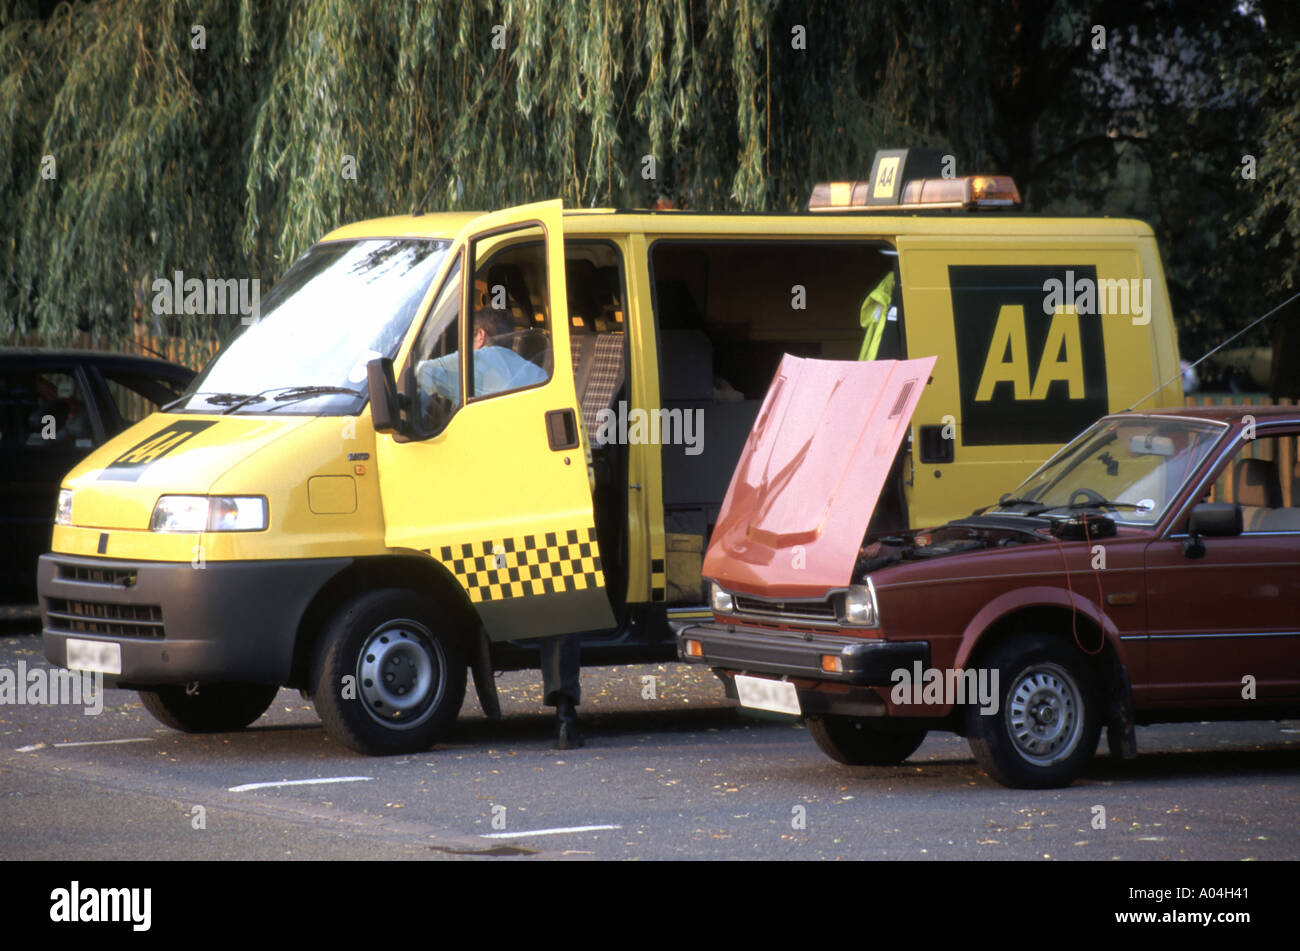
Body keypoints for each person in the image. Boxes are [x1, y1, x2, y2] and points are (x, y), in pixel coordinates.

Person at [417, 306, 547, 401]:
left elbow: (420, 371)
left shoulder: (477, 360)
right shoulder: (531, 369)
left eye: (468, 340)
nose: (465, 348)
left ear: (480, 335)